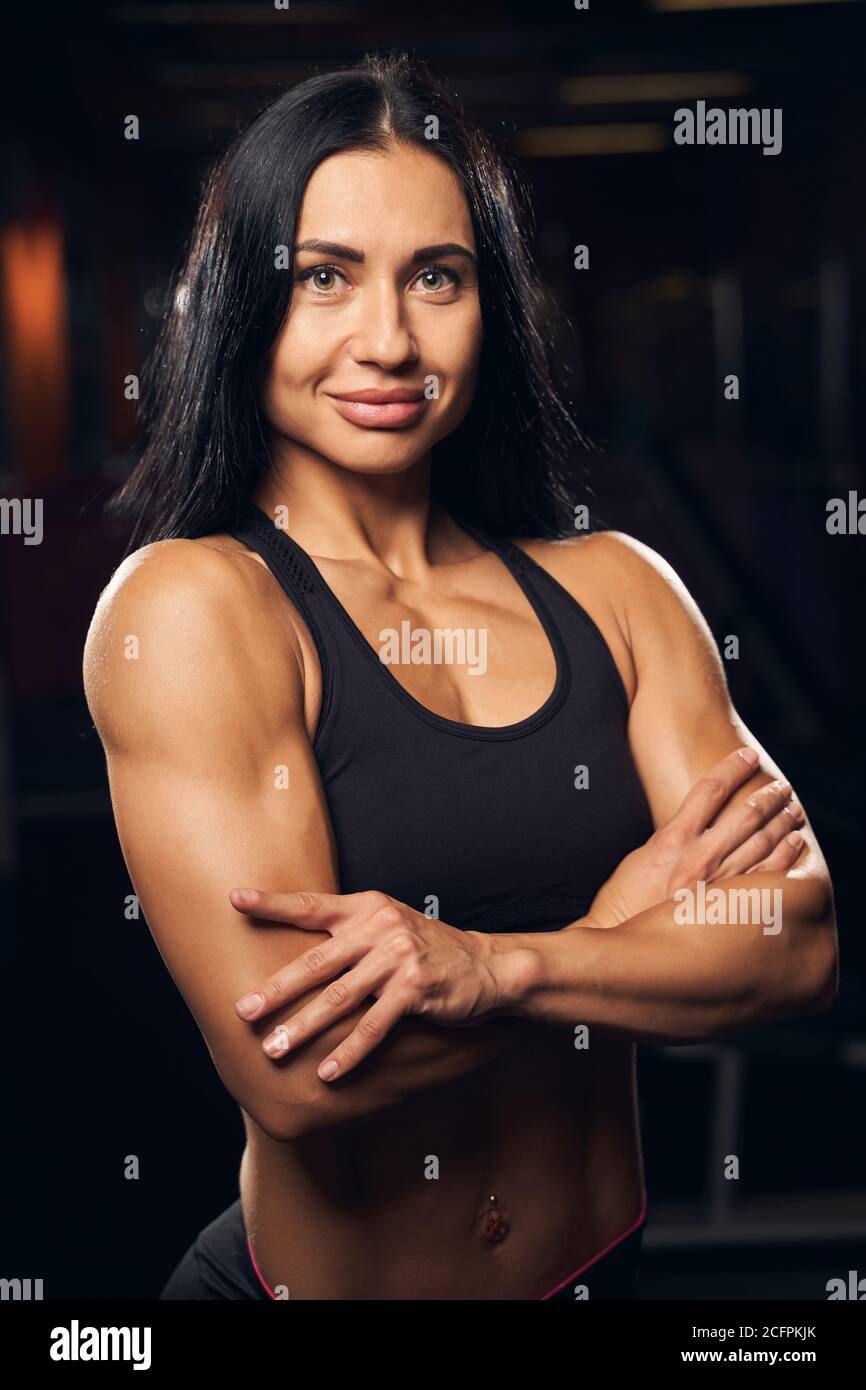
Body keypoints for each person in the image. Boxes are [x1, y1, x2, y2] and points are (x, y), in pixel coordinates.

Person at [83, 51, 837, 1301]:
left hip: (602, 1271)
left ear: (492, 308)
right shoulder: (197, 607)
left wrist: (501, 964)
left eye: (435, 277)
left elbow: (792, 940)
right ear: (239, 304)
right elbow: (300, 1065)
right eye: (323, 277)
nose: (385, 339)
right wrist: (616, 929)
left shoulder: (617, 588)